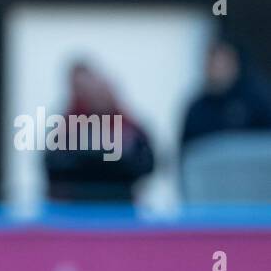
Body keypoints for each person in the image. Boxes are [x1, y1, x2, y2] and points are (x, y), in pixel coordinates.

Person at [44, 61, 154, 204]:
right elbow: (53, 164)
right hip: (76, 205)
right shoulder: (68, 127)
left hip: (120, 203)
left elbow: (146, 163)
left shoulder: (129, 128)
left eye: (103, 93)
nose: (99, 99)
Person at [181, 39, 271, 151]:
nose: (217, 69)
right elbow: (187, 150)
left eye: (223, 63)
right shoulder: (197, 108)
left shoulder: (257, 100)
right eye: (212, 63)